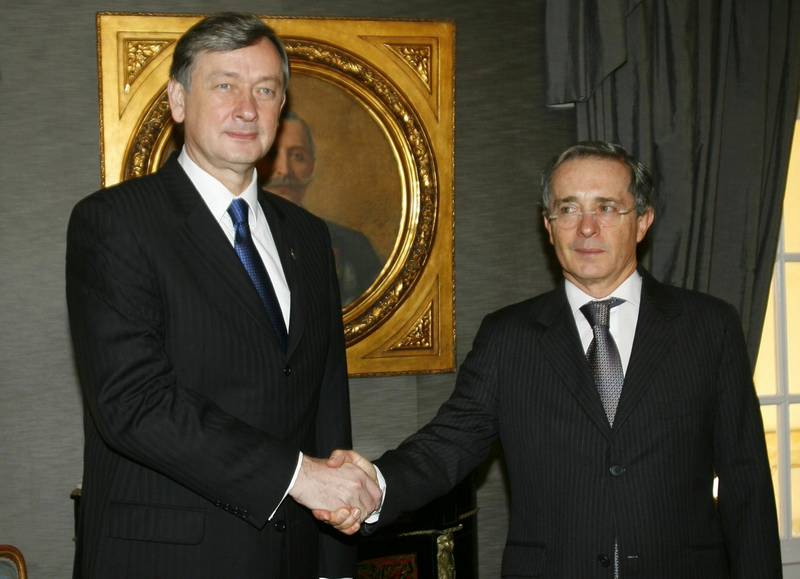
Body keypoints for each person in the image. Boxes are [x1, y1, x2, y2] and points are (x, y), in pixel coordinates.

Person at [320, 141, 782, 577]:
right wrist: (373, 486)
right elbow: (449, 445)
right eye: (568, 209)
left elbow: (746, 480)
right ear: (548, 225)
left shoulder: (708, 327)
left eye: (607, 208)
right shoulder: (508, 337)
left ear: (642, 221)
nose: (586, 227)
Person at [66, 13, 379, 579]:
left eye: (266, 90)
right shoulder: (115, 223)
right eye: (225, 85)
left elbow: (326, 404)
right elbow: (134, 404)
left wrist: (335, 561)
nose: (247, 108)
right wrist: (297, 476)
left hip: (291, 555)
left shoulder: (308, 237)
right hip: (165, 559)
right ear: (177, 101)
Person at [258, 112, 382, 305]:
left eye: (298, 157)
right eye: (272, 154)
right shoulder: (230, 239)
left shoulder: (354, 246)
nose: (284, 170)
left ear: (312, 167)